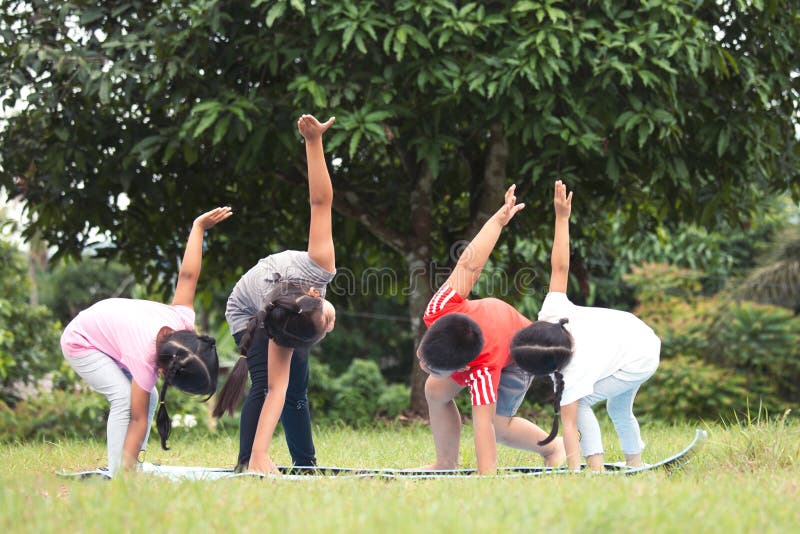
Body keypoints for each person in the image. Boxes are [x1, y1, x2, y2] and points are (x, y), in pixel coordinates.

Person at [60, 207, 231, 476]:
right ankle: (120, 473)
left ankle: (131, 466)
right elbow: (138, 419)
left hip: (105, 332)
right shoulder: (144, 357)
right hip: (81, 341)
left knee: (149, 395)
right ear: (165, 372)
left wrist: (198, 227)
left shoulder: (182, 320)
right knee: (123, 397)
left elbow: (188, 276)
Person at [213, 114, 337, 475]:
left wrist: (313, 142)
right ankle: (248, 462)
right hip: (247, 311)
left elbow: (320, 202)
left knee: (296, 387)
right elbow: (273, 390)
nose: (332, 324)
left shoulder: (319, 265)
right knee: (267, 383)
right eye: (329, 322)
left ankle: (305, 465)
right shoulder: (279, 324)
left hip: (281, 306)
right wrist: (260, 455)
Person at [510, 180, 660, 470]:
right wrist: (562, 217)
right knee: (618, 408)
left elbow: (570, 424)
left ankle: (596, 468)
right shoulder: (552, 313)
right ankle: (635, 462)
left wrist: (579, 471)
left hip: (637, 357)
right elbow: (560, 266)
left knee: (582, 405)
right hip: (635, 334)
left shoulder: (571, 371)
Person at [416, 185, 566, 475]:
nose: (422, 364)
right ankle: (445, 462)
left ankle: (552, 447)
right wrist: (497, 221)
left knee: (497, 425)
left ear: (465, 368)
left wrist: (486, 478)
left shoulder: (484, 370)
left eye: (431, 365)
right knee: (434, 389)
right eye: (423, 355)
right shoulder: (439, 308)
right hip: (488, 331)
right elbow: (469, 265)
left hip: (517, 355)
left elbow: (482, 424)